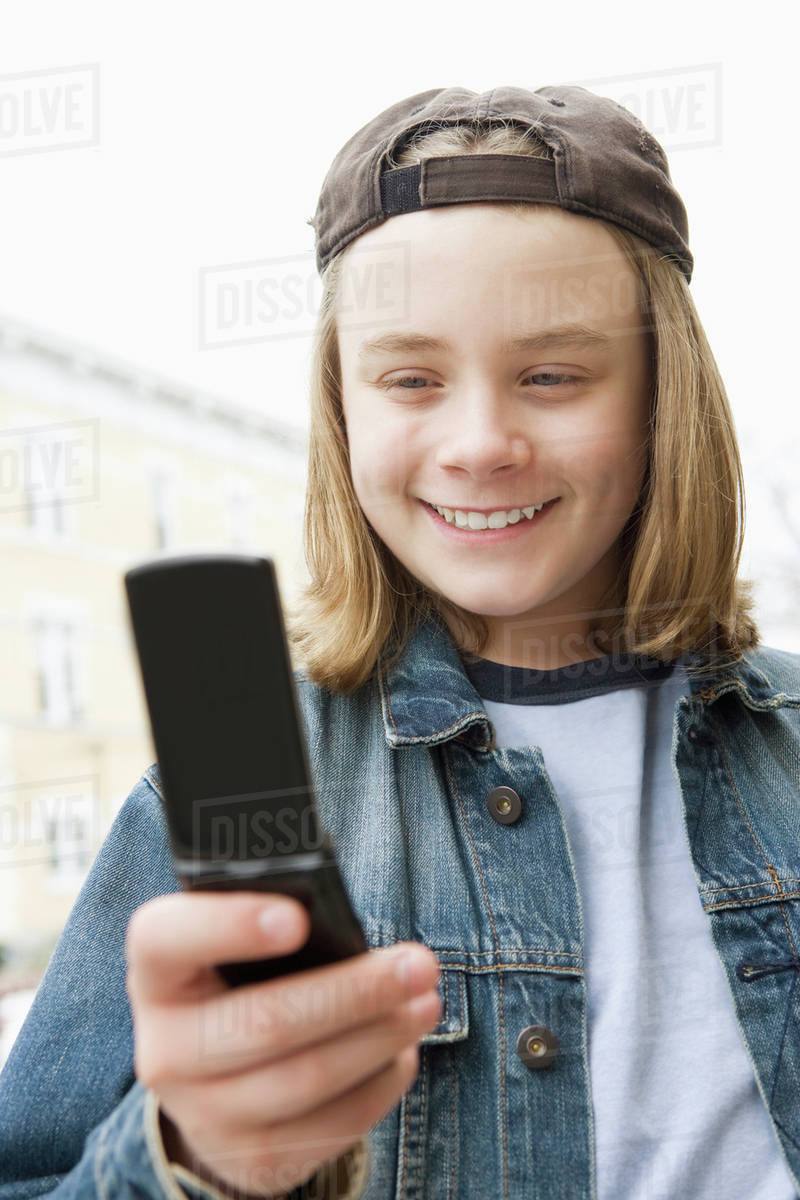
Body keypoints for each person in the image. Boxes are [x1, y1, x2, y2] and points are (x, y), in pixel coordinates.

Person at [1, 84, 799, 1200]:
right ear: (343, 413)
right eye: (411, 379)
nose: (480, 443)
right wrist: (188, 1160)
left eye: (552, 375)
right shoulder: (245, 781)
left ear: (663, 398)